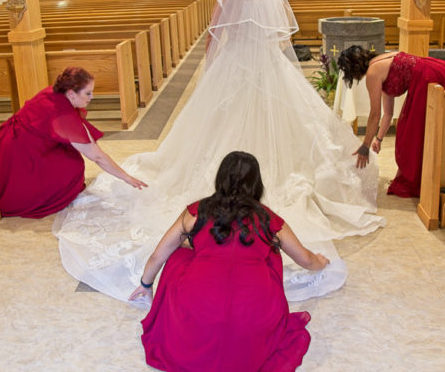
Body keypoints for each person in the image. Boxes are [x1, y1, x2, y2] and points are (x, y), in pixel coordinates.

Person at [54, 0, 383, 304]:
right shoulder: (269, 0)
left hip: (234, 69)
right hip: (267, 69)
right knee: (280, 125)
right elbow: (279, 43)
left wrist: (211, 75)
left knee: (221, 127)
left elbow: (214, 38)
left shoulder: (226, 0)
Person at [129, 151, 327, 372]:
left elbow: (158, 255)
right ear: (256, 183)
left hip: (199, 309)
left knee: (176, 251)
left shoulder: (196, 211)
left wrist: (146, 285)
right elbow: (306, 260)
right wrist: (320, 262)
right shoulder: (268, 219)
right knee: (271, 252)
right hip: (253, 314)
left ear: (220, 178)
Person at [0, 67, 146, 218]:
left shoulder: (55, 91)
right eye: (87, 93)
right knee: (73, 166)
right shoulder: (63, 117)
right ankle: (39, 194)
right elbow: (97, 156)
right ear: (71, 93)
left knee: (68, 151)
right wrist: (127, 178)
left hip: (11, 143)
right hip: (21, 155)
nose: (91, 97)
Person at [338, 46, 445, 198]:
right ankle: (420, 176)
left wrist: (365, 146)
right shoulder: (379, 63)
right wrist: (378, 139)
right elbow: (388, 113)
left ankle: (415, 180)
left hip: (428, 78)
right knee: (409, 130)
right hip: (440, 69)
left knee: (410, 135)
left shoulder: (373, 73)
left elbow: (374, 115)